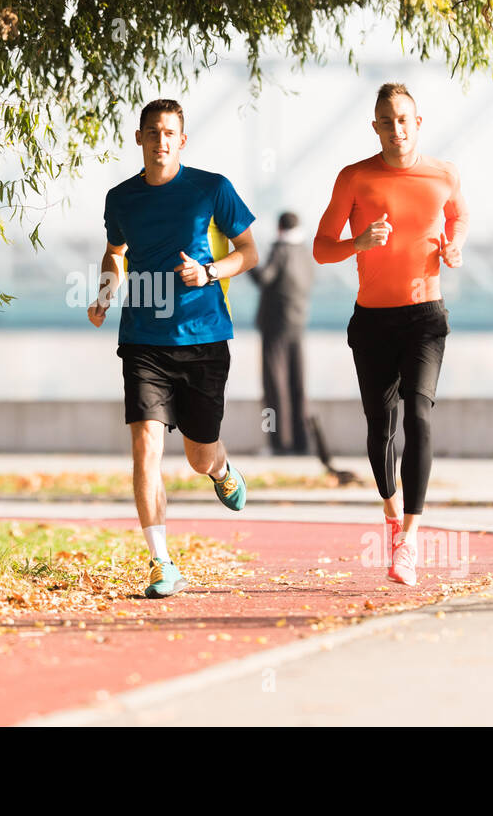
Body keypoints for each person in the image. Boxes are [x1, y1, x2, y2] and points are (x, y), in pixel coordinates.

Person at [88, 98, 259, 599]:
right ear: (139, 138)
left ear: (181, 141)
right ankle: (161, 563)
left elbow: (248, 253)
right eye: (152, 132)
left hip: (203, 337)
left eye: (170, 133)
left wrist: (208, 271)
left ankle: (221, 470)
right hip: (143, 339)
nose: (161, 141)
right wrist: (104, 291)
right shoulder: (120, 199)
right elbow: (115, 252)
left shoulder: (211, 189)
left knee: (198, 455)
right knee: (145, 446)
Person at [312, 83, 469, 587]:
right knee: (382, 425)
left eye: (404, 119)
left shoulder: (443, 174)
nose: (396, 129)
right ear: (375, 127)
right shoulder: (355, 178)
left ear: (418, 122)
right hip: (373, 320)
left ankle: (411, 538)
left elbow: (459, 216)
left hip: (425, 316)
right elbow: (320, 247)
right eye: (387, 121)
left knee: (419, 414)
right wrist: (357, 242)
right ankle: (389, 509)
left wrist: (455, 247)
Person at [248, 211, 314, 455]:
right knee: (298, 383)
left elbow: (264, 277)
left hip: (275, 326)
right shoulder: (305, 252)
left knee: (275, 385)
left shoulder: (280, 250)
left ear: (279, 229)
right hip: (298, 324)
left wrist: (249, 262)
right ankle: (301, 441)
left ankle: (279, 444)